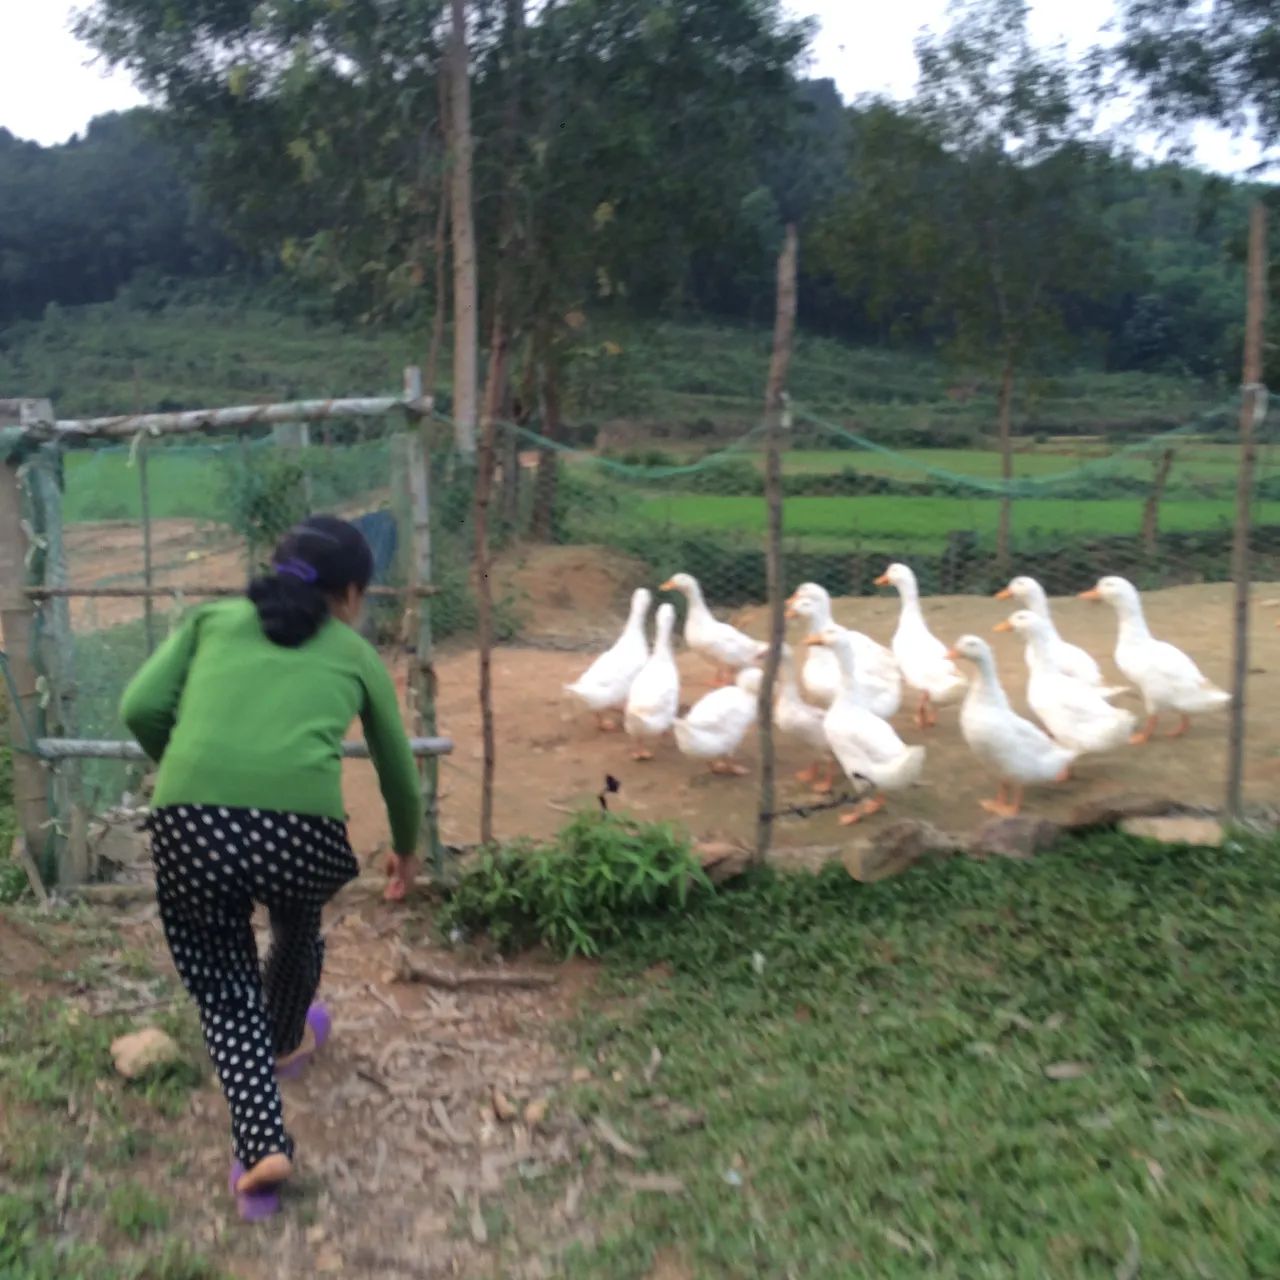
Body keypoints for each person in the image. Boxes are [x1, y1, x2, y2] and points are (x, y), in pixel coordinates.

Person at [120, 514, 420, 1221]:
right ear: (351, 592)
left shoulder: (211, 619)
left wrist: (191, 771)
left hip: (189, 823)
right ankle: (284, 1037)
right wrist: (406, 849)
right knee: (296, 924)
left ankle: (261, 1143)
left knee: (225, 987)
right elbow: (399, 772)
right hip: (302, 834)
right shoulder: (353, 651)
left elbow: (139, 707)